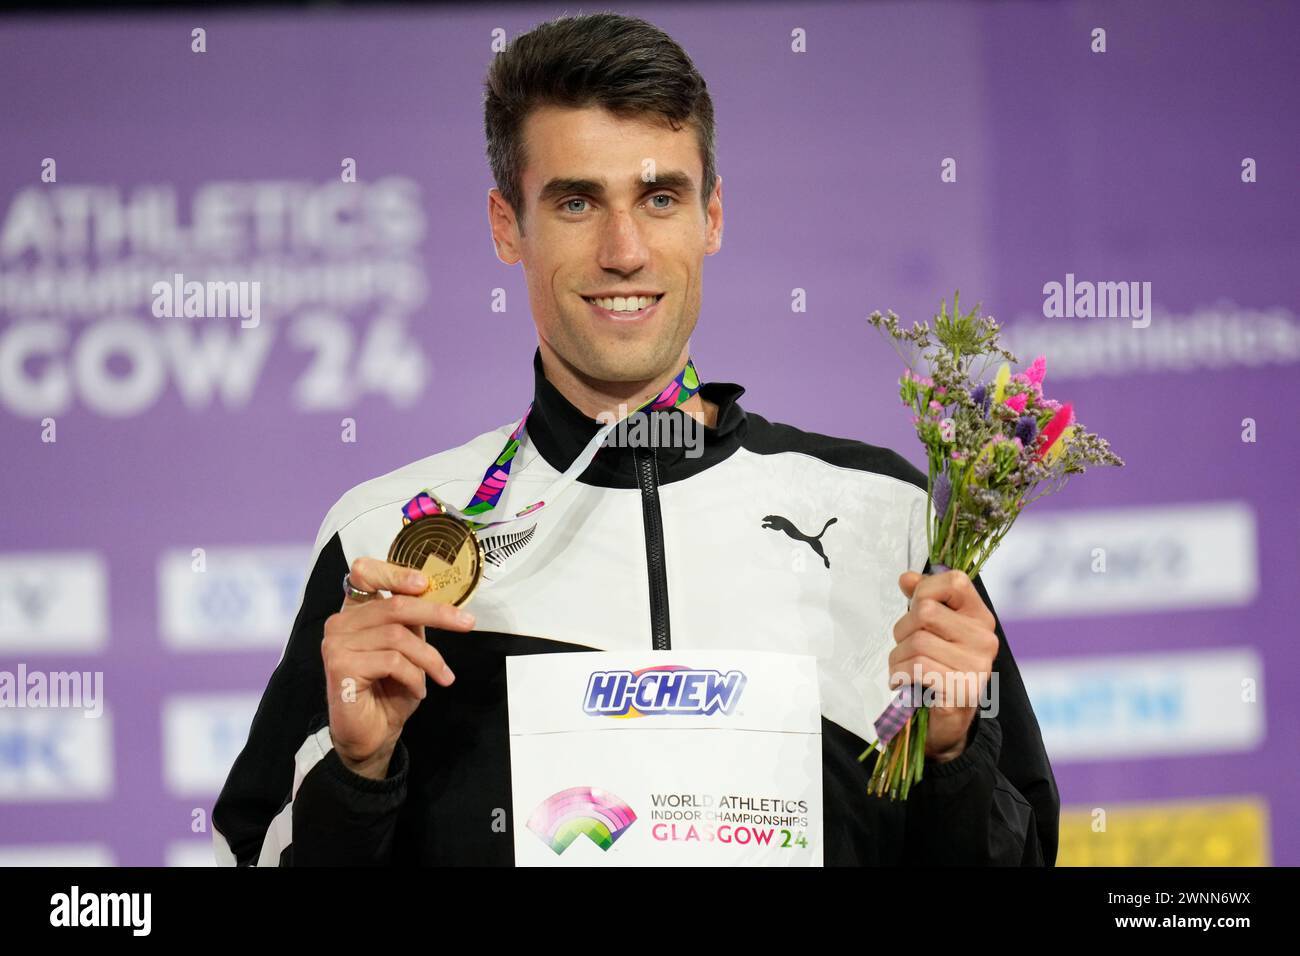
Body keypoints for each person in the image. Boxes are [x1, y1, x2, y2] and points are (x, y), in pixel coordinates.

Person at [213, 11, 1058, 866]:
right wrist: (357, 775)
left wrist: (953, 759)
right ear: (508, 226)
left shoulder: (893, 521)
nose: (624, 251)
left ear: (712, 216)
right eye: (577, 202)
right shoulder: (385, 547)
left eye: (659, 199)